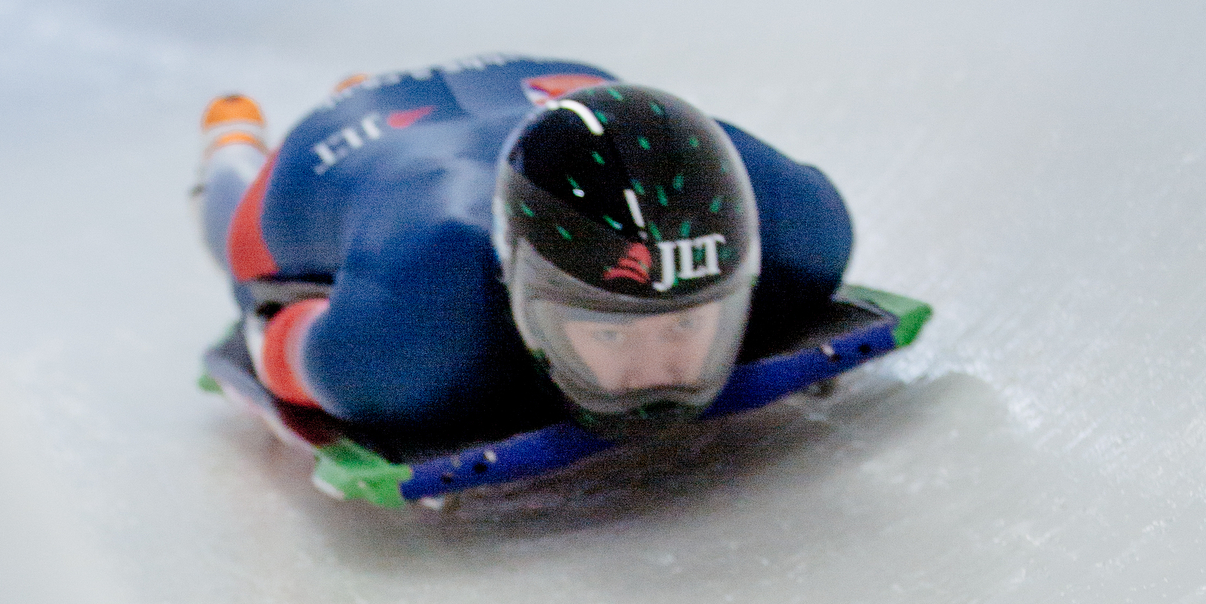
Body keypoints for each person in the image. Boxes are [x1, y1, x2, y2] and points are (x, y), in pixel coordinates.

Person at [194, 55, 852, 450]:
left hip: (510, 96)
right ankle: (232, 141)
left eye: (687, 322)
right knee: (240, 246)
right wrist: (289, 337)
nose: (657, 372)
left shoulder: (797, 222)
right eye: (609, 332)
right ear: (523, 299)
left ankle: (368, 84)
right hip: (344, 152)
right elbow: (272, 340)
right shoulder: (407, 341)